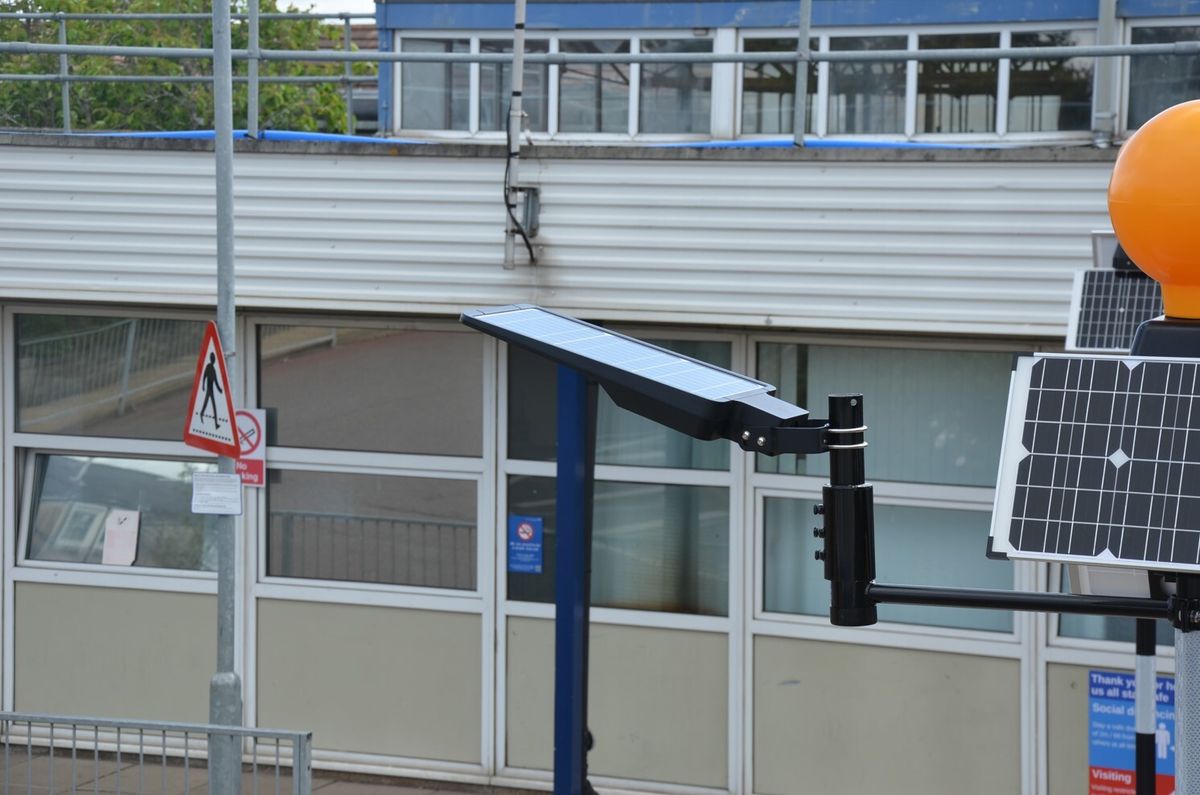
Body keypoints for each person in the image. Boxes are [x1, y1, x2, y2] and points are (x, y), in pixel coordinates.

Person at [200, 351, 223, 430]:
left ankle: (202, 414)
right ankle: (215, 424)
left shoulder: (210, 367)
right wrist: (220, 390)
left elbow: (207, 377)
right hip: (210, 391)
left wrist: (203, 386)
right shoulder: (211, 369)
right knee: (213, 407)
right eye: (213, 359)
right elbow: (206, 376)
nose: (214, 360)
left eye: (214, 358)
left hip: (210, 391)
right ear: (212, 359)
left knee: (207, 404)